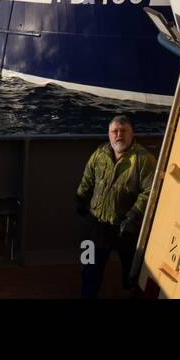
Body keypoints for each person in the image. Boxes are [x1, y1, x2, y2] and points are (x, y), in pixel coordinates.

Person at [76, 114, 156, 299]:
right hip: (97, 225)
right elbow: (87, 179)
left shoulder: (143, 159)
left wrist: (133, 216)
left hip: (126, 228)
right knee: (89, 268)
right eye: (115, 131)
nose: (119, 135)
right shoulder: (99, 154)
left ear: (131, 134)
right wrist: (80, 199)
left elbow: (149, 191)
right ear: (109, 134)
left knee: (131, 273)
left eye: (123, 131)